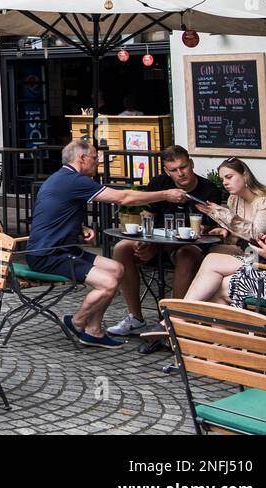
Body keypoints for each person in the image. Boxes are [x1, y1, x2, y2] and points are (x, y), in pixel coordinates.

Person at [27, 139, 187, 349]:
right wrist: (165, 194)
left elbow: (53, 211)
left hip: (61, 249)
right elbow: (123, 198)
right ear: (82, 159)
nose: (98, 163)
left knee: (117, 268)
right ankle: (76, 322)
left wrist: (79, 227)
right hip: (48, 254)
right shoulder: (74, 180)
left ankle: (94, 331)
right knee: (108, 283)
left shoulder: (60, 178)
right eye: (95, 158)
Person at [107, 145, 224, 337]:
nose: (181, 173)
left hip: (187, 247)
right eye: (174, 170)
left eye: (184, 167)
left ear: (191, 164)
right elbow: (148, 215)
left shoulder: (208, 190)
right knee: (122, 248)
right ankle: (135, 318)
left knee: (187, 255)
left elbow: (208, 231)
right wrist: (144, 241)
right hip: (157, 242)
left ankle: (173, 322)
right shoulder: (159, 183)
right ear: (166, 171)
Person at [189, 157, 266, 254]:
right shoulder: (234, 199)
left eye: (229, 177)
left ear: (245, 176)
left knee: (211, 257)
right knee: (205, 253)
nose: (224, 183)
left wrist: (221, 213)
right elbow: (240, 229)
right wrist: (226, 231)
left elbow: (255, 234)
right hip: (249, 249)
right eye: (222, 179)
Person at [185, 227, 266, 309]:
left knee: (220, 283)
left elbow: (252, 230)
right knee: (212, 260)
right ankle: (179, 316)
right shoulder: (235, 201)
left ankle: (178, 316)